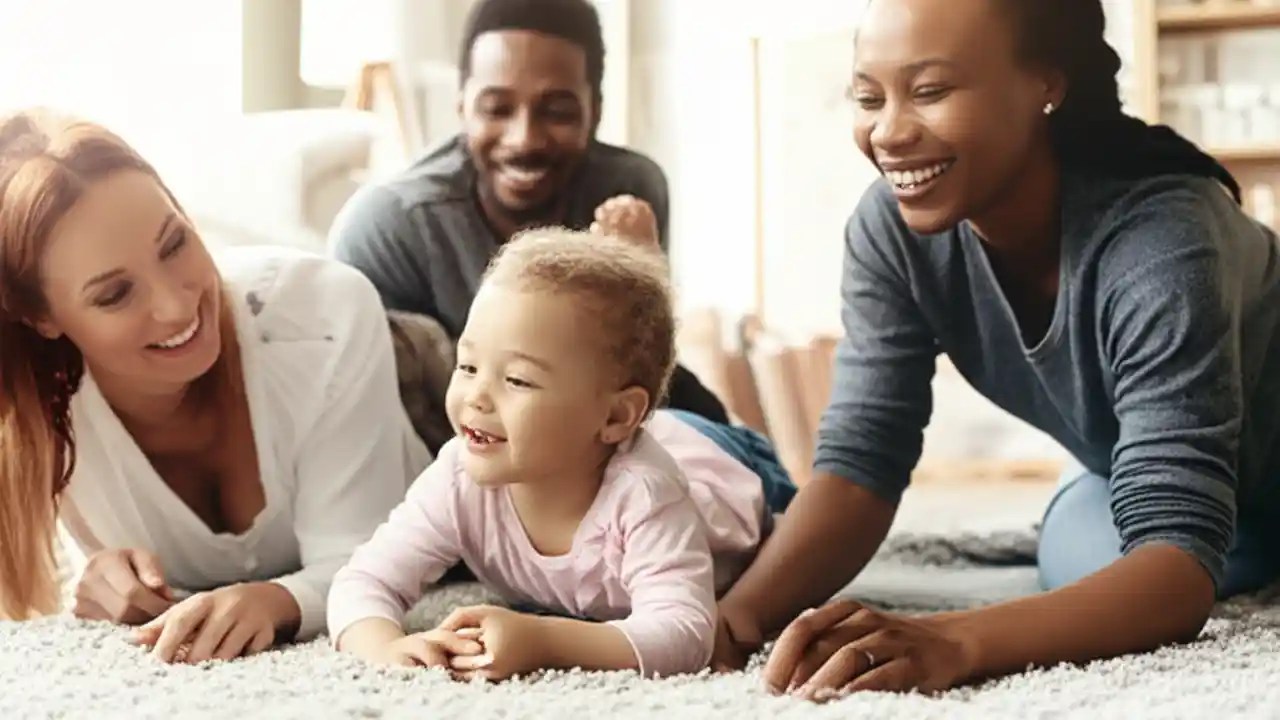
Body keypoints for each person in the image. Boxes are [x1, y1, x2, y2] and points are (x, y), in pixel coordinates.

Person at [712, 0, 1280, 699]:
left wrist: (954, 640)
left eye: (930, 91)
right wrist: (731, 622)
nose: (888, 132)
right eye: (868, 96)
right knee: (1079, 551)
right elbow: (861, 461)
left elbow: (1176, 573)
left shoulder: (1161, 243)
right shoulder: (892, 233)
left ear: (1046, 83)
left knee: (1140, 577)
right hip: (1206, 486)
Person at [0, 110, 429, 663]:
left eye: (174, 243)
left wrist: (274, 601)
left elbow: (368, 562)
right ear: (42, 319)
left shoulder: (326, 312)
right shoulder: (44, 415)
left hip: (423, 389)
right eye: (114, 295)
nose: (177, 305)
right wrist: (102, 576)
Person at [327, 229, 794, 679]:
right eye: (467, 366)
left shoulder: (645, 495)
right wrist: (383, 647)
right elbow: (362, 581)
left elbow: (687, 633)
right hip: (637, 433)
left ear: (614, 417)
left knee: (780, 507)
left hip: (723, 464)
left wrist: (546, 641)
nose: (476, 397)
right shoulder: (457, 476)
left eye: (517, 380)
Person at [329, 0, 730, 429]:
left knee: (714, 436)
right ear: (461, 106)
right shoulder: (390, 226)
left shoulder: (630, 187)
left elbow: (644, 367)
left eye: (556, 112)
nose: (524, 139)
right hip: (451, 446)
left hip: (599, 425)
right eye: (497, 109)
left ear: (594, 110)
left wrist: (635, 267)